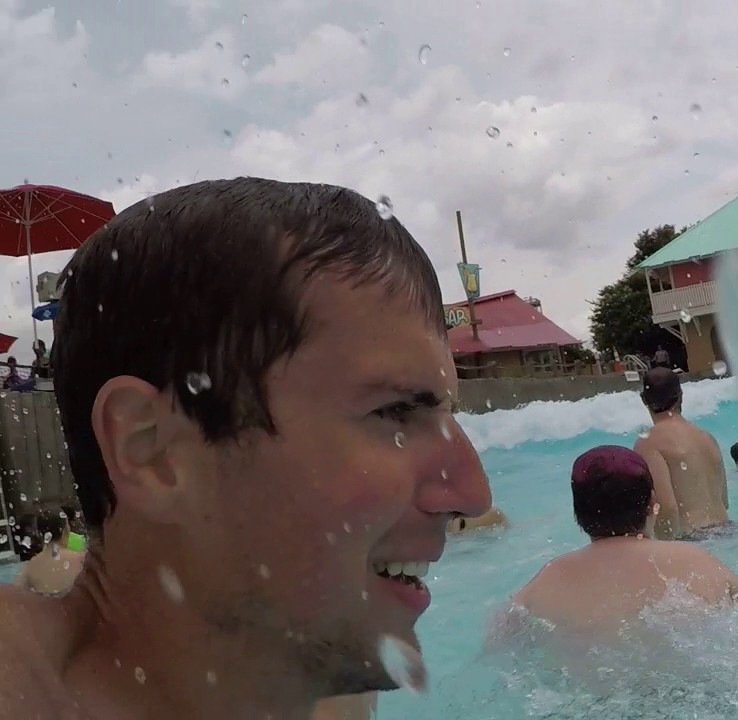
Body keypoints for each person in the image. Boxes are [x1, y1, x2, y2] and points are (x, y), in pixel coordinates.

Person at [0, 178, 492, 719]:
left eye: (448, 414)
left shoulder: (326, 678)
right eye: (395, 412)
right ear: (154, 450)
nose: (472, 493)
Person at [489, 446, 738, 653]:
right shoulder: (698, 562)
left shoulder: (539, 586)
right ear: (652, 502)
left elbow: (498, 647)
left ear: (578, 511)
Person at [633, 367, 730, 540]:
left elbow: (667, 507)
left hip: (695, 539)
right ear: (681, 395)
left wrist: (666, 551)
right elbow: (724, 501)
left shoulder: (648, 443)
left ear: (643, 400)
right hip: (729, 530)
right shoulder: (707, 437)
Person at [14, 508, 86, 594]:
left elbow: (15, 596)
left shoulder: (30, 568)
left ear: (38, 533)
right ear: (65, 531)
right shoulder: (83, 560)